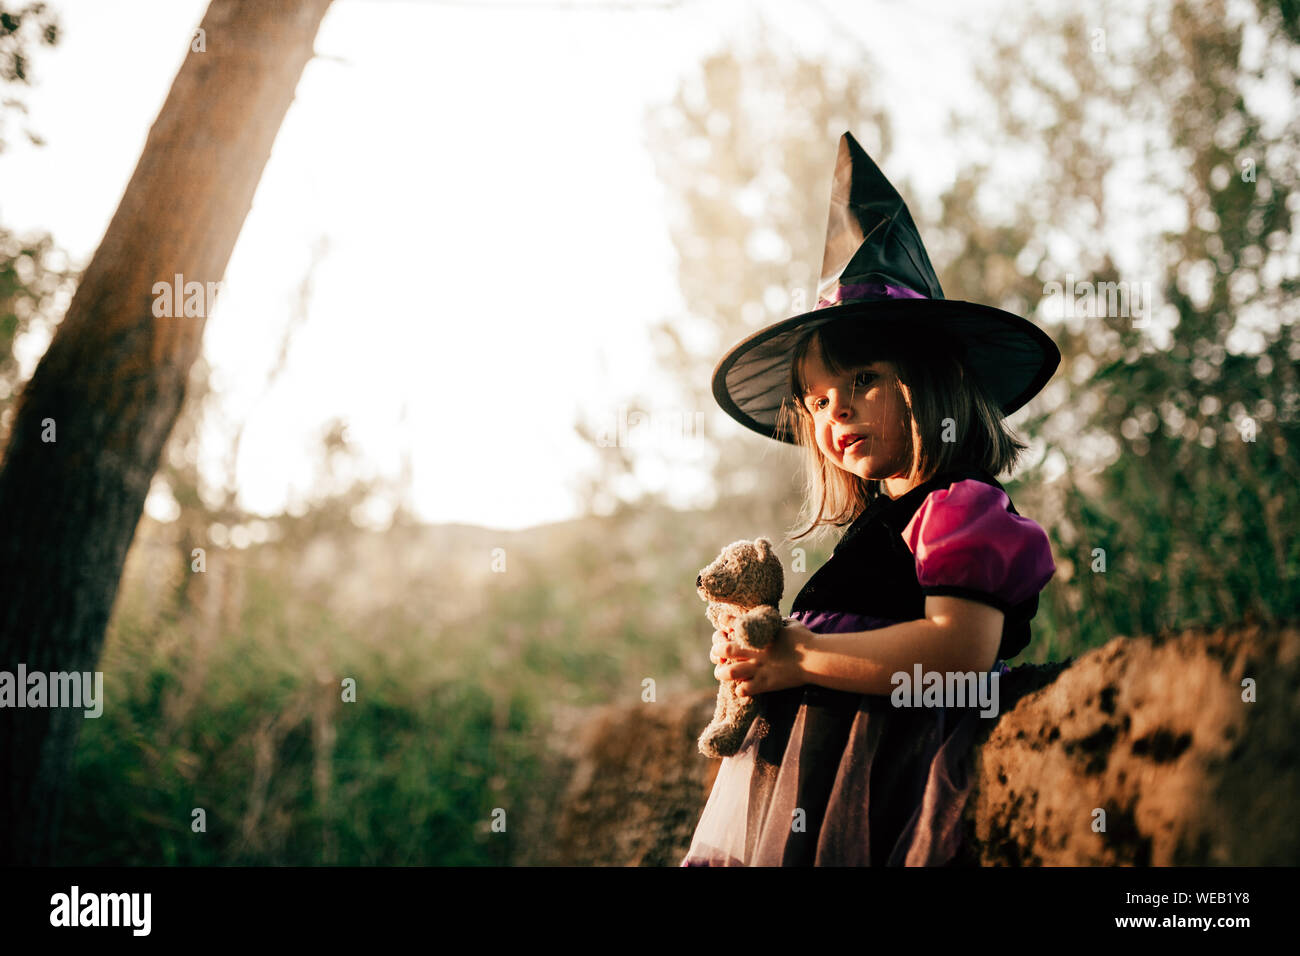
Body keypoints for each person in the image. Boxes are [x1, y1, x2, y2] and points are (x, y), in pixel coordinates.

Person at [680, 131, 1061, 867]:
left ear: (932, 382)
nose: (837, 413)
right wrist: (759, 658)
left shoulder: (958, 509)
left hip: (895, 786)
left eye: (864, 381)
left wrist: (803, 656)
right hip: (812, 792)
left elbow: (956, 654)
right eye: (817, 399)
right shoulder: (870, 532)